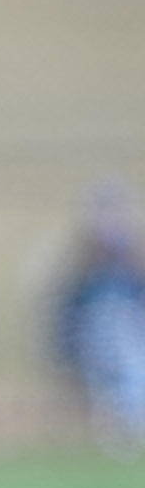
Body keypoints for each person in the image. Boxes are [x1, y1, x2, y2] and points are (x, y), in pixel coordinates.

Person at [49, 174, 145, 453]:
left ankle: (129, 432)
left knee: (133, 380)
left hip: (130, 342)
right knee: (107, 392)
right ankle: (113, 436)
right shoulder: (80, 268)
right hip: (95, 344)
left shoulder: (132, 265)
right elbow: (70, 312)